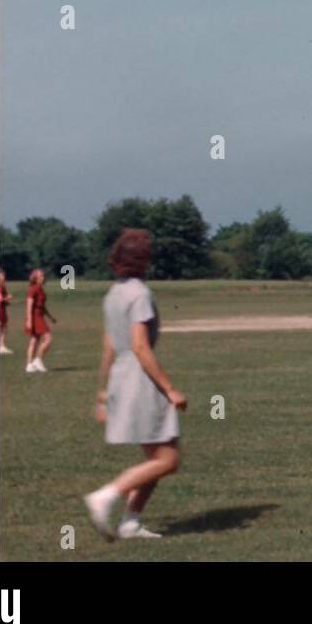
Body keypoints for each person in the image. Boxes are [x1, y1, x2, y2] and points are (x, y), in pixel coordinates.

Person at [84, 229, 188, 540]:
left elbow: (108, 347)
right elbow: (140, 347)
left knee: (158, 456)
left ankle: (130, 523)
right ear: (144, 261)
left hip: (120, 378)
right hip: (140, 381)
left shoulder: (113, 294)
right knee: (168, 460)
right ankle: (105, 496)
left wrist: (102, 395)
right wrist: (170, 389)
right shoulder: (140, 295)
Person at [24, 269, 55, 373]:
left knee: (34, 340)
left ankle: (29, 365)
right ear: (35, 278)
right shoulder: (33, 289)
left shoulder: (40, 289)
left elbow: (42, 306)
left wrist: (50, 317)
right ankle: (38, 359)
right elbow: (29, 304)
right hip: (35, 317)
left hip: (39, 315)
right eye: (41, 276)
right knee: (48, 338)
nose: (43, 277)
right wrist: (29, 320)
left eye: (43, 275)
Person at [0, 269, 13, 355]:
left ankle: (2, 345)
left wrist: (7, 301)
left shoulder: (3, 286)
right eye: (2, 275)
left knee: (4, 327)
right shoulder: (0, 286)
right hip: (0, 309)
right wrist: (8, 298)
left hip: (2, 309)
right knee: (2, 327)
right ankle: (1, 346)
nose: (4, 277)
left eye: (4, 276)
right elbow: (0, 299)